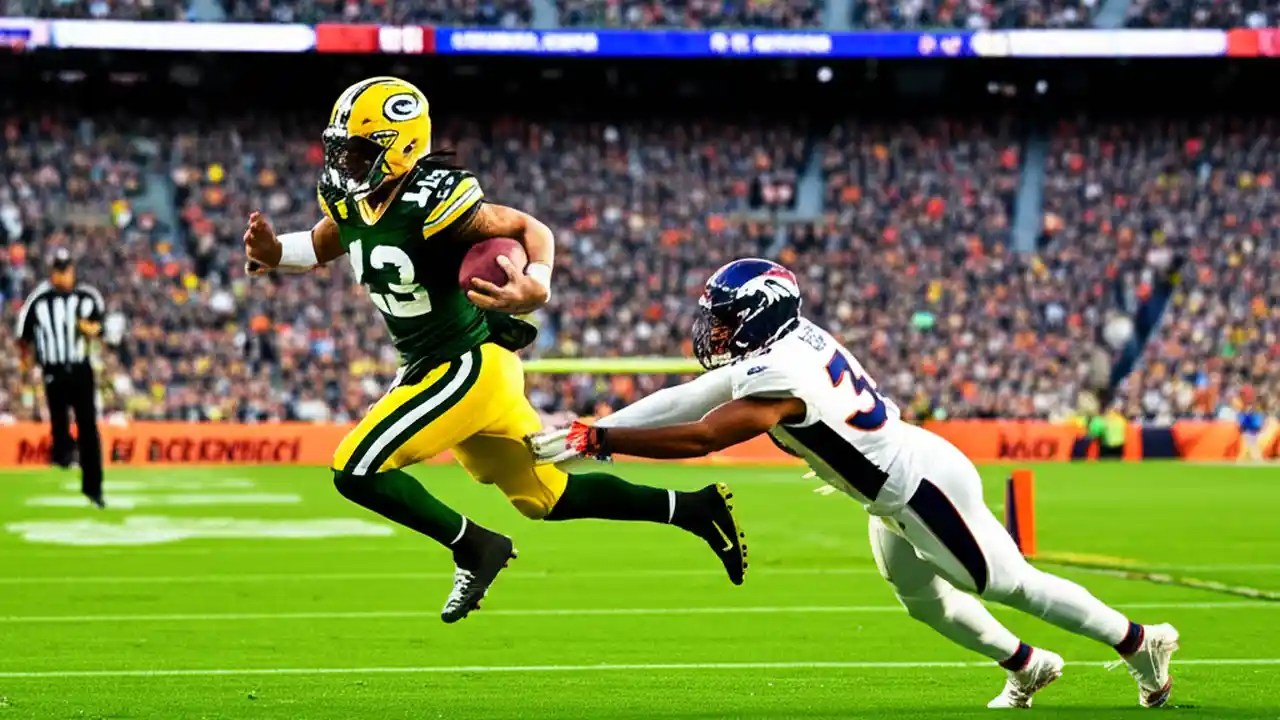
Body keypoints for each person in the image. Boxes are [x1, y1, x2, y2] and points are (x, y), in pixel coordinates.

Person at [530, 258, 1179, 709]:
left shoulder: (778, 375)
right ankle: (1026, 664)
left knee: (1004, 583)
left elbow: (704, 434)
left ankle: (1140, 641)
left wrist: (602, 440)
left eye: (725, 316)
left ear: (759, 315)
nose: (715, 330)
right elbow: (690, 395)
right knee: (923, 601)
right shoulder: (781, 344)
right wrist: (595, 429)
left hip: (917, 488)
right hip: (896, 482)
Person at [242, 76, 746, 624]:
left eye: (362, 150)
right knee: (548, 498)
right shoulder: (352, 202)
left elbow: (531, 227)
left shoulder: (433, 198)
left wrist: (538, 282)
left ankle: (474, 546)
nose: (347, 162)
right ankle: (694, 509)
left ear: (404, 146)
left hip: (464, 366)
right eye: (342, 149)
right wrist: (276, 252)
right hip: (447, 370)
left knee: (356, 469)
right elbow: (322, 244)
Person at [14, 248, 106, 508]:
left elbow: (100, 326)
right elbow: (23, 335)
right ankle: (64, 454)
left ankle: (93, 487)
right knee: (59, 421)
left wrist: (91, 329)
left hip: (79, 367)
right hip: (52, 369)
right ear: (52, 272)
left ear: (73, 271)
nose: (63, 275)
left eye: (66, 270)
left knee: (88, 427)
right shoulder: (38, 300)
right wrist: (26, 365)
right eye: (58, 270)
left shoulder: (87, 296)